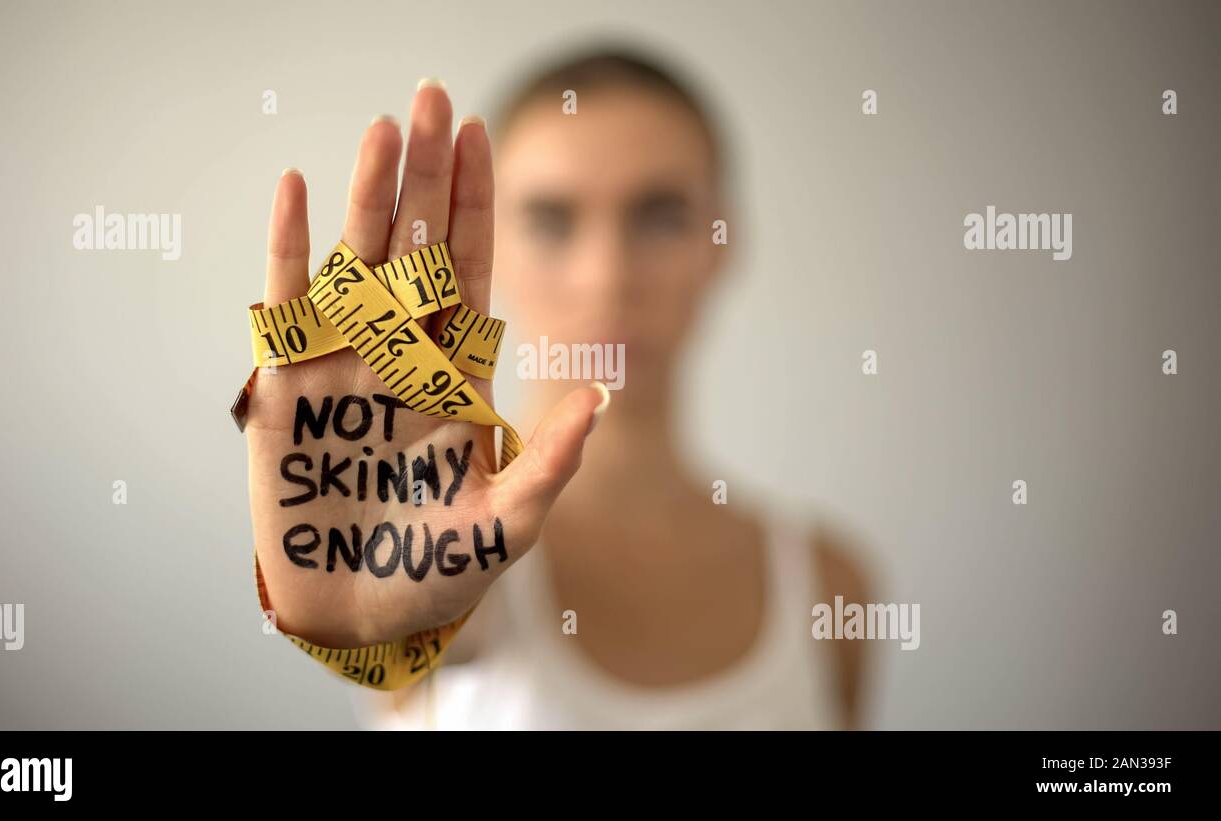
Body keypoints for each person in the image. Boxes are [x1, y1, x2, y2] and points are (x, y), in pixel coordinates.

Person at [245, 47, 872, 730]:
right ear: (493, 244)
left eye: (659, 215)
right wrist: (349, 615)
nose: (606, 276)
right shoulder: (449, 553)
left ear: (722, 241)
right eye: (551, 219)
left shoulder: (828, 586)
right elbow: (404, 625)